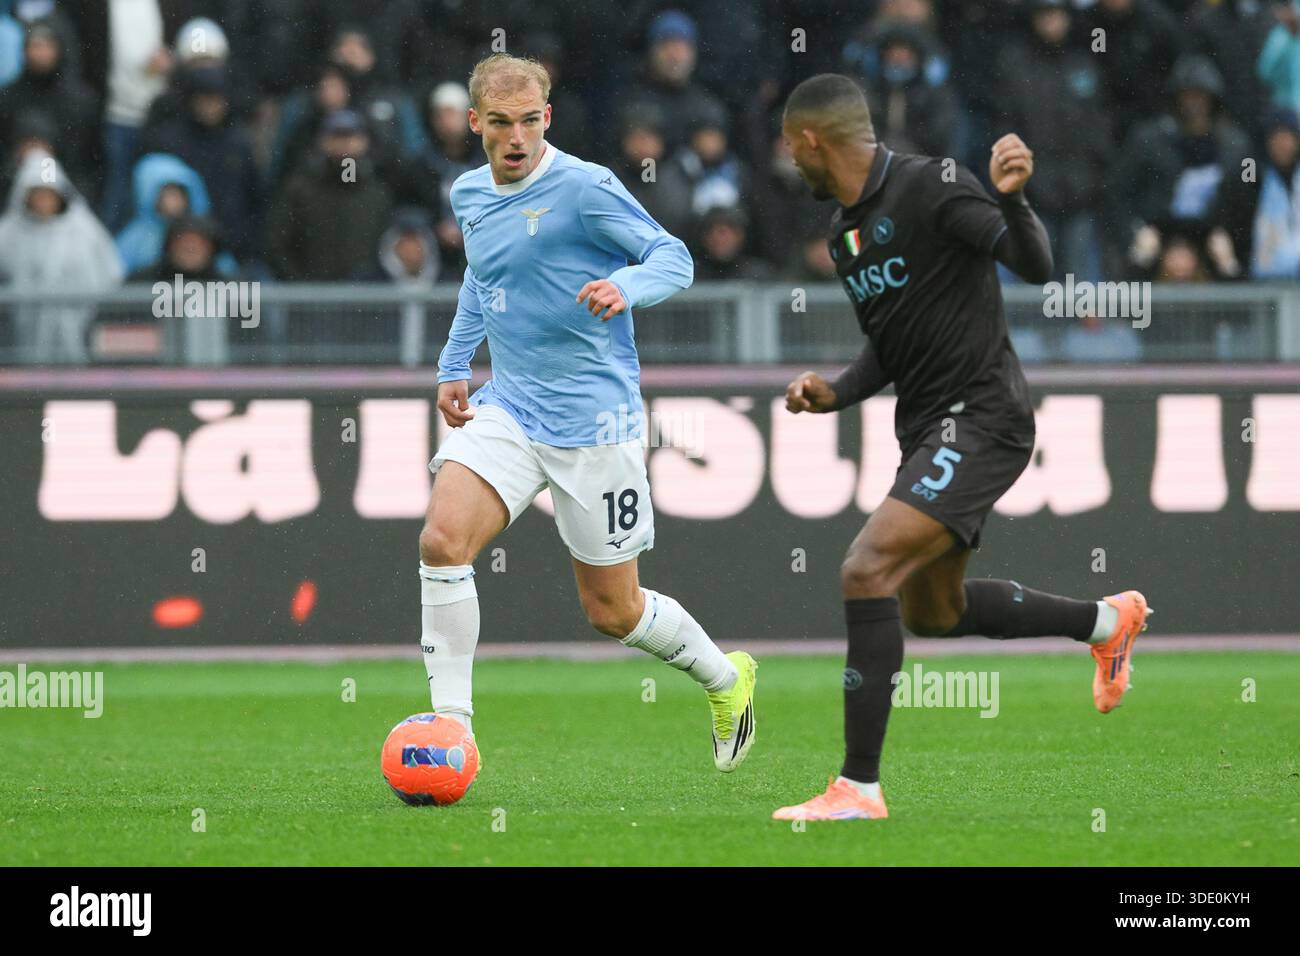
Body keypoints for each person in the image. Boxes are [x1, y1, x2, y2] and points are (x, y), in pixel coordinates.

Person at [772, 74, 1151, 822]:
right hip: (926, 426)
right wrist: (835, 392)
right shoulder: (842, 235)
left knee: (865, 567)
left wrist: (1012, 196)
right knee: (933, 613)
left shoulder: (935, 185)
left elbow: (1035, 265)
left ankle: (858, 788)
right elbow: (889, 343)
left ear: (813, 140)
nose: (792, 165)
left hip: (982, 416)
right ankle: (1107, 623)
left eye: (793, 150)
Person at [420, 53, 757, 773]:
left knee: (612, 611)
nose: (517, 138)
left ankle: (726, 680)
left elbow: (674, 257)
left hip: (595, 424)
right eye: (501, 123)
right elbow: (482, 279)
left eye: (530, 121)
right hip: (509, 405)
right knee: (443, 541)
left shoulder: (585, 188)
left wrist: (626, 286)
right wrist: (455, 364)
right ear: (475, 122)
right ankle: (452, 730)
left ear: (549, 117)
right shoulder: (469, 194)